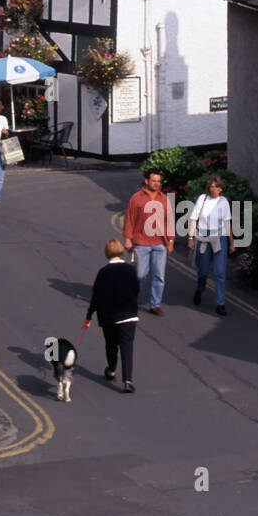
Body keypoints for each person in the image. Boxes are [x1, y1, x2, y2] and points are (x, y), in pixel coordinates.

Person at [84, 238, 140, 393]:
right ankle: (128, 380)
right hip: (129, 315)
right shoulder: (130, 270)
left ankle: (112, 370)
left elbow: (96, 296)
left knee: (111, 345)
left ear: (107, 252)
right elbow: (136, 289)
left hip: (109, 316)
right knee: (127, 347)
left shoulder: (103, 272)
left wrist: (89, 316)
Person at [123, 167, 175, 314]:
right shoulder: (136, 198)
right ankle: (131, 299)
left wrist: (171, 241)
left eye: (159, 181)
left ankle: (155, 305)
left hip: (160, 244)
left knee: (159, 276)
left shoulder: (164, 199)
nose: (157, 184)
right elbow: (130, 219)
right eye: (154, 181)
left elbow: (169, 221)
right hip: (141, 243)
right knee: (140, 274)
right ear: (147, 181)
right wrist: (128, 239)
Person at [188, 175, 234, 316]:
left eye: (215, 187)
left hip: (220, 237)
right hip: (203, 237)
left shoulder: (224, 202)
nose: (212, 189)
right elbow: (193, 218)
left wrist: (232, 243)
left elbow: (227, 224)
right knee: (203, 270)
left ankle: (220, 304)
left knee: (220, 272)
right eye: (211, 186)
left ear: (221, 189)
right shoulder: (202, 199)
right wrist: (190, 238)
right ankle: (200, 288)